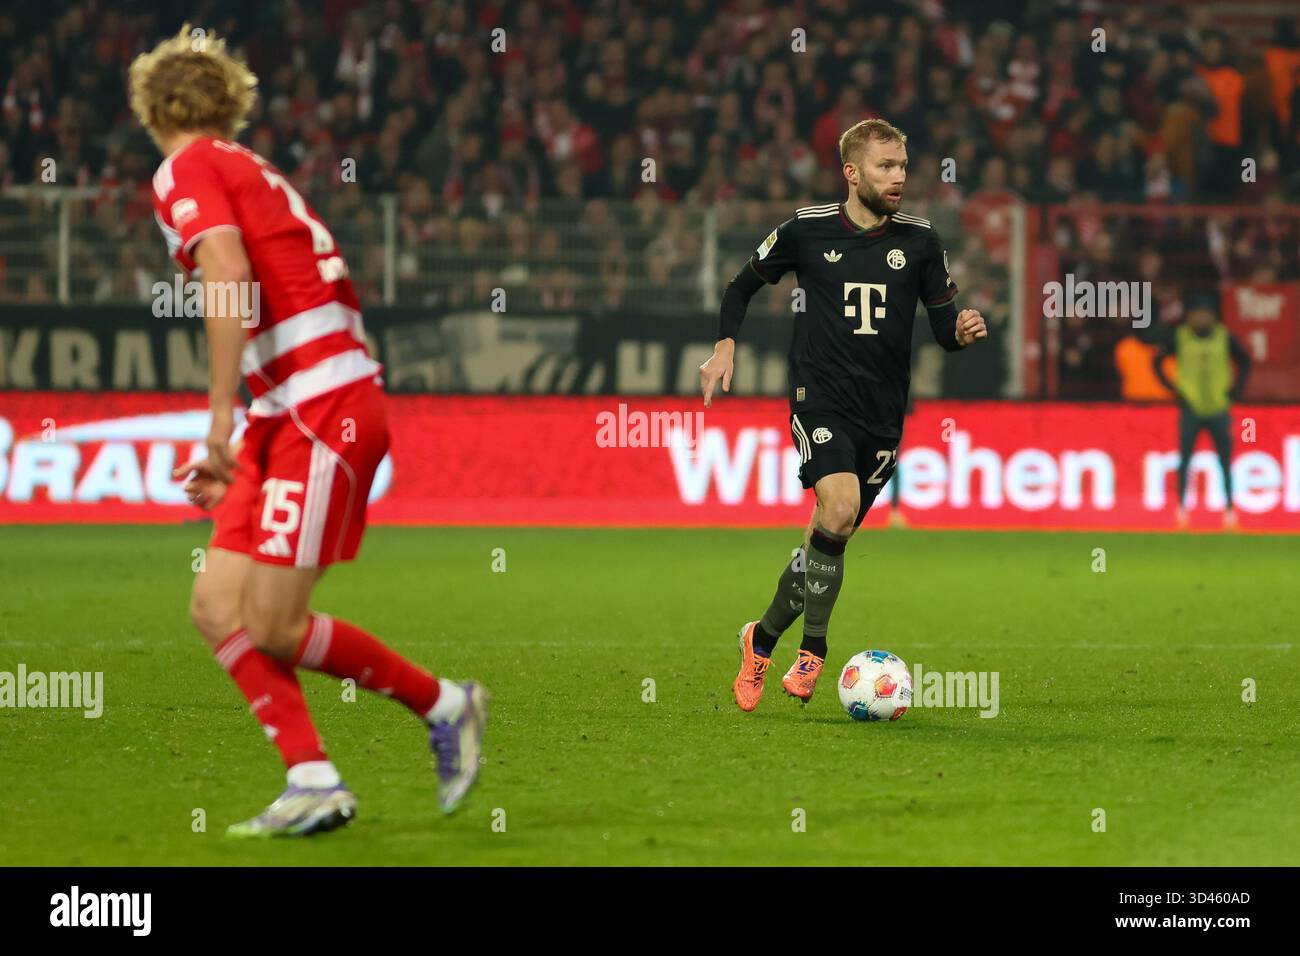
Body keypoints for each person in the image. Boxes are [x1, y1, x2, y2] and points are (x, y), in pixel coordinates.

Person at [131, 26, 487, 836]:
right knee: (218, 605)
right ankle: (313, 778)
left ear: (149, 105)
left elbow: (225, 271)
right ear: (230, 101)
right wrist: (247, 422)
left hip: (321, 404)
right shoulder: (241, 165)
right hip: (288, 406)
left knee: (274, 624)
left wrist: (218, 417)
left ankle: (445, 704)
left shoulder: (184, 168)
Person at [699, 118, 987, 712]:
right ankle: (815, 652)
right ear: (852, 172)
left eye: (903, 166)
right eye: (885, 166)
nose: (898, 177)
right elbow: (740, 285)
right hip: (820, 396)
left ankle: (762, 637)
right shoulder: (805, 231)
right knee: (839, 507)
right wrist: (725, 344)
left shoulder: (921, 241)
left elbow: (942, 331)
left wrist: (960, 333)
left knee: (826, 540)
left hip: (883, 412)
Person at [1153, 295, 1252, 529]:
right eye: (1197, 314)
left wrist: (1235, 391)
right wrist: (1173, 390)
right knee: (1185, 459)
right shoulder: (1180, 337)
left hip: (1219, 407)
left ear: (1212, 316)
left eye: (1204, 314)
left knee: (1224, 460)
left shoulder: (1224, 337)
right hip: (1191, 408)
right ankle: (1181, 509)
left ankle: (1229, 511)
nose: (1200, 318)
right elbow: (1156, 362)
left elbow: (1245, 361)